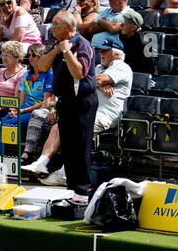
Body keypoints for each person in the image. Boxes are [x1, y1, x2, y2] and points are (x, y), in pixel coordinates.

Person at [23, 34, 131, 188]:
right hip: (88, 110)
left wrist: (96, 81)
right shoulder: (99, 68)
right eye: (100, 50)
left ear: (116, 54)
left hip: (106, 115)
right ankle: (42, 162)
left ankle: (64, 174)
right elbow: (90, 79)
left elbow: (89, 79)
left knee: (75, 130)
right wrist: (98, 83)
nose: (101, 53)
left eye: (105, 51)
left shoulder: (121, 67)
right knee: (59, 126)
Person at [22, 11, 96, 199]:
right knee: (68, 149)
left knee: (80, 148)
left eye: (56, 24)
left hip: (82, 102)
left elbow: (79, 73)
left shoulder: (82, 44)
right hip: (65, 102)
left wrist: (66, 52)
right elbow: (42, 66)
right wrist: (56, 50)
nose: (52, 28)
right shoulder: (57, 45)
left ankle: (83, 192)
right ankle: (72, 190)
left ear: (68, 27)